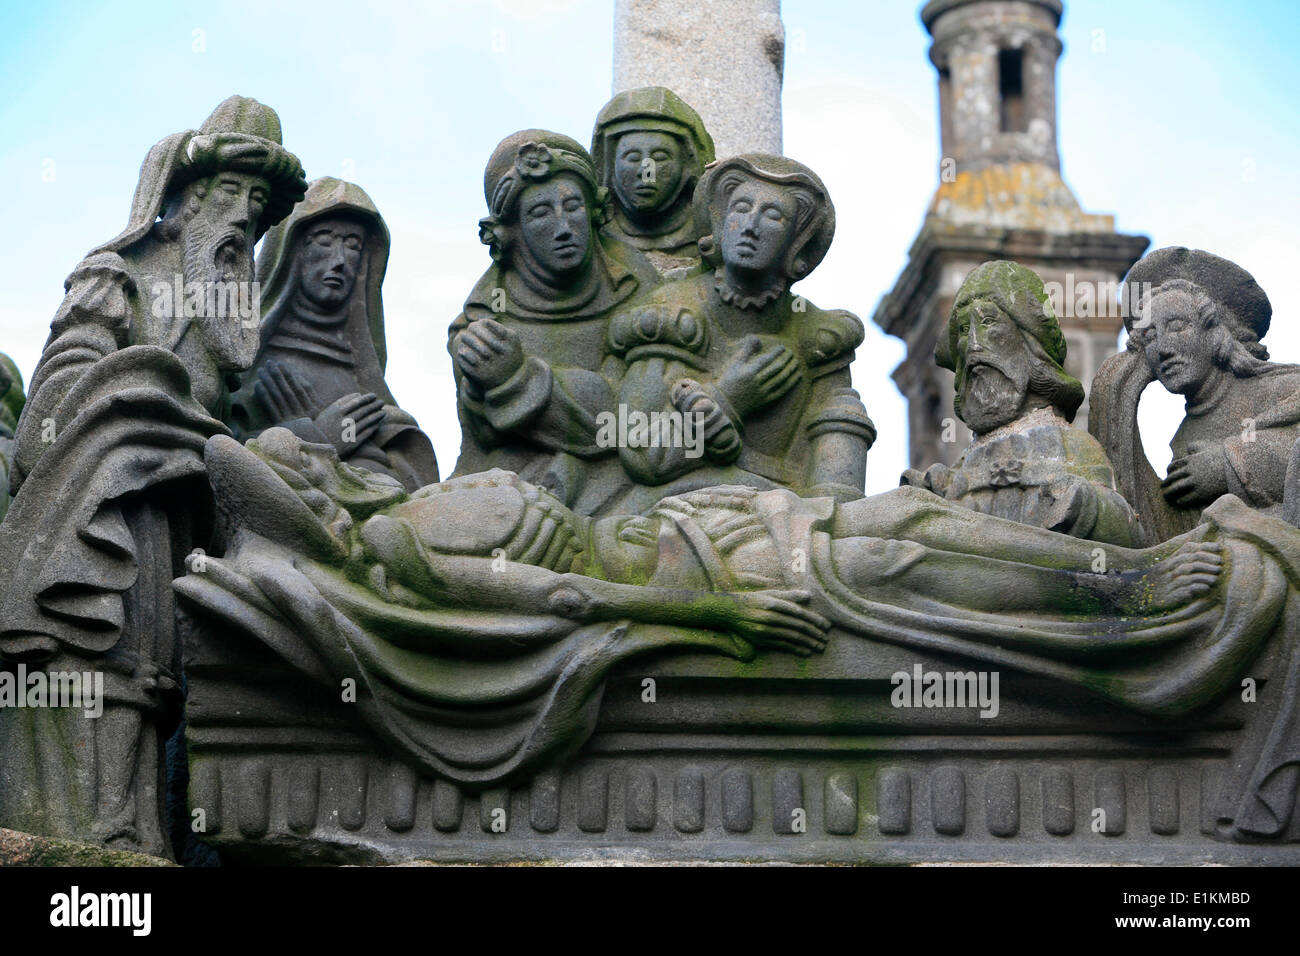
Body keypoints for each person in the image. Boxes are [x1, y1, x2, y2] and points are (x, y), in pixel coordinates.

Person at [0, 96, 306, 856]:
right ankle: (74, 837)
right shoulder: (114, 276)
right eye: (230, 194)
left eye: (258, 206)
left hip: (166, 523)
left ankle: (131, 835)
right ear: (177, 202)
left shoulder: (220, 317)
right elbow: (44, 423)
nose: (243, 218)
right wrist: (140, 404)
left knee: (150, 683)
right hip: (93, 511)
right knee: (91, 667)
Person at [604, 153, 875, 514]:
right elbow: (644, 454)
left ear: (796, 243)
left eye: (773, 216)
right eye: (741, 209)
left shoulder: (817, 337)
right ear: (718, 224)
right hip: (679, 510)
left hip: (787, 519)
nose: (751, 226)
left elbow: (838, 490)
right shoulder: (670, 312)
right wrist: (729, 398)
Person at [448, 130, 660, 514]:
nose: (564, 227)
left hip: (626, 484)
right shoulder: (483, 323)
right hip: (510, 493)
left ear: (595, 211)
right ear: (509, 232)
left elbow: (632, 419)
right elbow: (486, 438)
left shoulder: (639, 291)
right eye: (540, 213)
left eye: (573, 206)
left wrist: (518, 380)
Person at [903, 260, 1137, 545]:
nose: (974, 344)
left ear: (1029, 342)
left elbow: (1126, 530)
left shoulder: (1069, 445)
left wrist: (1083, 505)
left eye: (989, 322)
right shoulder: (965, 461)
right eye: (964, 329)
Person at [228, 177, 438, 491]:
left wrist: (342, 442)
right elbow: (221, 456)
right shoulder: (243, 362)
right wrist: (316, 437)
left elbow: (413, 483)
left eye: (353, 244)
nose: (339, 260)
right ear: (292, 249)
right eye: (325, 240)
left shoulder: (363, 373)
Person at [591, 87, 715, 280]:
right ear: (609, 166)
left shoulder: (714, 242)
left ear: (688, 166)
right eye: (632, 158)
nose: (646, 171)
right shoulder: (590, 242)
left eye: (660, 157)